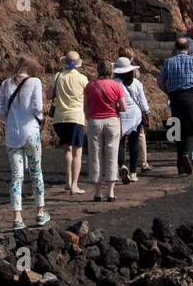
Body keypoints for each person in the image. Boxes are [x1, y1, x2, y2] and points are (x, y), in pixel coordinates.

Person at [0, 59, 50, 231]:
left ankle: (17, 217)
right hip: (31, 132)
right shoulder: (35, 82)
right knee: (36, 171)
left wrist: (10, 119)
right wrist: (39, 118)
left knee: (17, 177)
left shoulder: (5, 84)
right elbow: (37, 107)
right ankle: (40, 212)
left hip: (12, 134)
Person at [157, 36, 193, 176]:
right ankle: (187, 154)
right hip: (191, 97)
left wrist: (168, 93)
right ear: (188, 47)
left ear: (175, 47)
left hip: (176, 98)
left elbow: (160, 82)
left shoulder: (169, 62)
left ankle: (180, 165)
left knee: (178, 131)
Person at [83, 59, 126, 202]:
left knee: (95, 155)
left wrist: (89, 118)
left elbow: (85, 107)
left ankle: (97, 192)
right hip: (112, 121)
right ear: (111, 70)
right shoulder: (116, 85)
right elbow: (123, 107)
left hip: (95, 121)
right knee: (112, 155)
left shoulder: (90, 86)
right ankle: (111, 192)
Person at [50, 51, 89, 194]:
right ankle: (74, 185)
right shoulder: (83, 78)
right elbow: (88, 97)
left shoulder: (58, 76)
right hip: (77, 116)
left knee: (67, 149)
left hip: (60, 117)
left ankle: (67, 181)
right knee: (77, 151)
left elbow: (49, 95)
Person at [113, 56, 149, 183]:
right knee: (134, 143)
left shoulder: (114, 83)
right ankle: (133, 172)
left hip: (120, 114)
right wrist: (147, 114)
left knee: (120, 142)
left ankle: (122, 165)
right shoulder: (137, 83)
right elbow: (143, 101)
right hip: (135, 115)